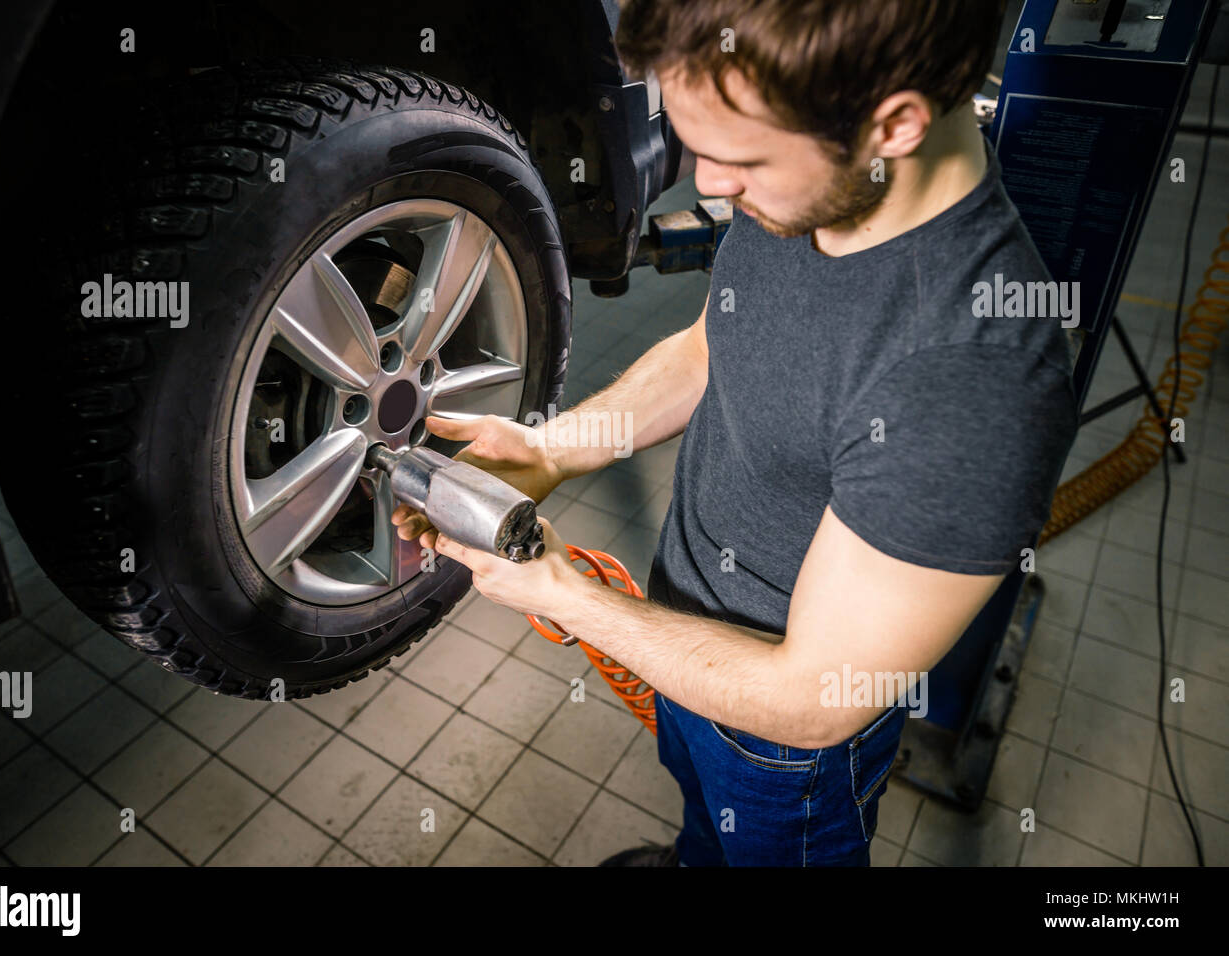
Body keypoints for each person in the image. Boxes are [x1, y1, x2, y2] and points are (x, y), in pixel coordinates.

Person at [392, 0, 1078, 866]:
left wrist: (563, 594)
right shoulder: (808, 188)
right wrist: (556, 446)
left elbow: (814, 697)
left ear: (894, 124)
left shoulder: (971, 384)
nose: (707, 185)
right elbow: (716, 344)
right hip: (679, 639)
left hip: (778, 748)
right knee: (700, 820)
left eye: (735, 158)